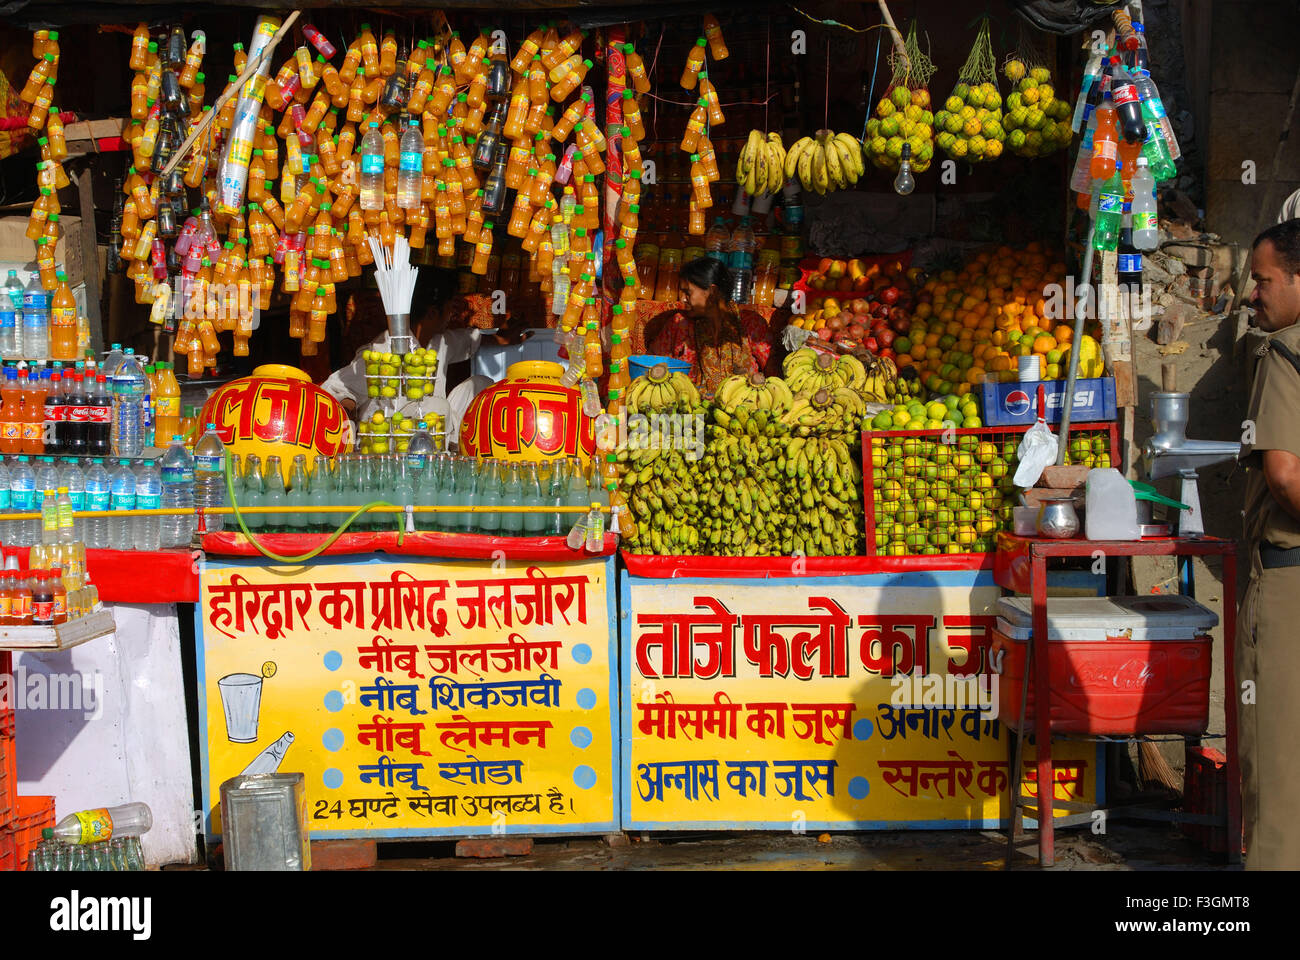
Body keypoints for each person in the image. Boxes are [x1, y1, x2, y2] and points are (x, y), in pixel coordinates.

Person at [1238, 218, 1300, 869]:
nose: (1254, 294)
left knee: (1281, 788)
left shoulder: (1285, 353)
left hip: (1288, 584)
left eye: (1264, 280)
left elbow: (1284, 473)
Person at [321, 268, 480, 424]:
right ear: (432, 313)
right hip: (394, 439)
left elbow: (473, 340)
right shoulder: (383, 350)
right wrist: (349, 411)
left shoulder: (440, 343)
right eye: (450, 308)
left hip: (434, 432)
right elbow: (337, 388)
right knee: (437, 406)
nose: (452, 315)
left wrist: (501, 331)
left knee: (480, 384)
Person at [641, 256, 778, 396]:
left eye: (688, 292)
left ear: (712, 292)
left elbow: (775, 377)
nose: (682, 299)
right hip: (690, 410)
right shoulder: (679, 324)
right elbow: (650, 367)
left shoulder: (750, 324)